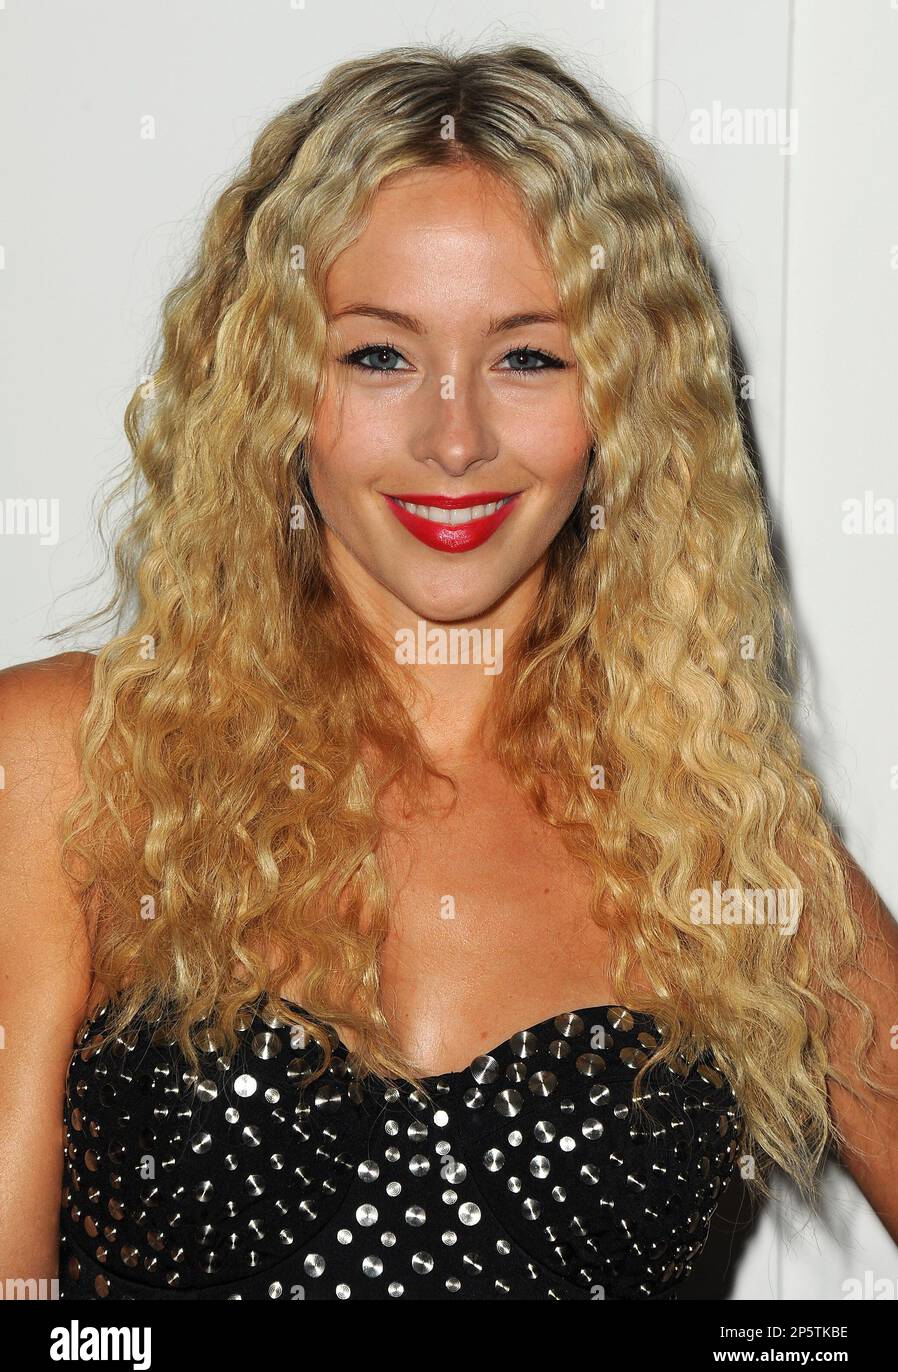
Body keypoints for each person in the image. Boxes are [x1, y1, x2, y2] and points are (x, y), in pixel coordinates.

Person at [0, 41, 895, 1302]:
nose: (455, 437)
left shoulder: (731, 843)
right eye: (378, 355)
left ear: (627, 405)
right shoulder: (60, 761)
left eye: (529, 356)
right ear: (269, 390)